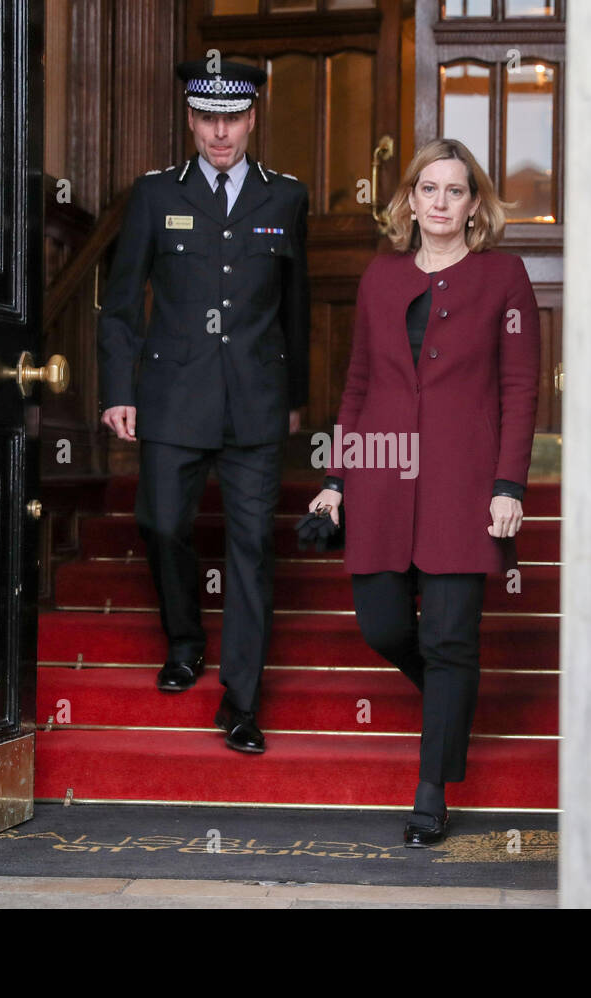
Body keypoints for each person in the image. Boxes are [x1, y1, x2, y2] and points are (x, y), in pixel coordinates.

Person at [308, 138, 541, 846]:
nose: (440, 203)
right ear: (409, 199)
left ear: (475, 205)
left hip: (463, 485)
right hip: (379, 477)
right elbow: (357, 385)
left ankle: (431, 789)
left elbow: (520, 388)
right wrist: (334, 480)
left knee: (448, 638)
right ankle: (453, 695)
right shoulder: (380, 278)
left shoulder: (504, 277)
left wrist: (508, 485)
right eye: (428, 189)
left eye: (456, 191)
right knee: (383, 626)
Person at [98, 58, 310, 754]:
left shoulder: (286, 198)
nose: (221, 133)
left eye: (234, 118)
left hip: (255, 402)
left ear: (252, 120)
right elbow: (123, 304)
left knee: (251, 550)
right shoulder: (156, 195)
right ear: (191, 120)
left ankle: (242, 704)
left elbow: (296, 310)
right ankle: (185, 640)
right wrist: (118, 392)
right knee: (161, 524)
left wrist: (297, 399)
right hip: (172, 398)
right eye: (208, 118)